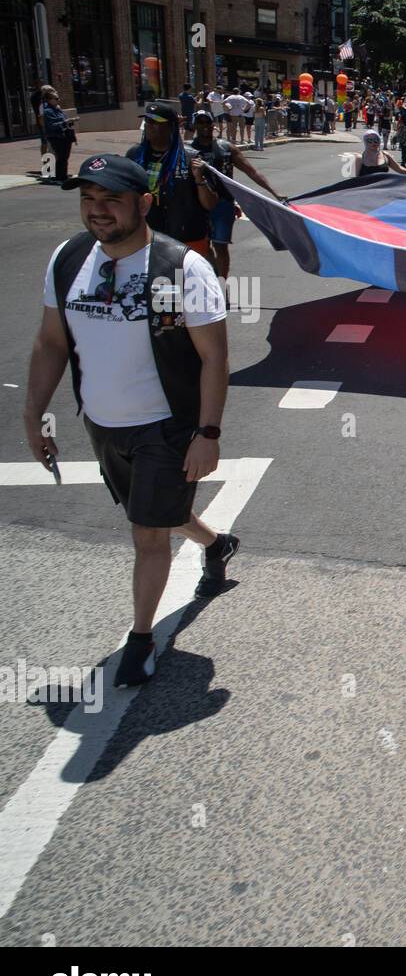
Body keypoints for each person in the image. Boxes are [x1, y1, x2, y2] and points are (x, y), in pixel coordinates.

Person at [23, 155, 239, 688]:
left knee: (147, 532)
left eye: (111, 200)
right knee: (155, 513)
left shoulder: (181, 268)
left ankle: (140, 641)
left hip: (164, 426)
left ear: (144, 202)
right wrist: (33, 413)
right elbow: (52, 342)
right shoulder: (68, 260)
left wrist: (208, 434)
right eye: (88, 199)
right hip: (103, 424)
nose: (97, 211)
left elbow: (214, 357)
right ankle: (215, 543)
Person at [189, 110, 285, 279]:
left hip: (223, 205)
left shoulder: (226, 148)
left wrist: (274, 192)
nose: (204, 126)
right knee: (203, 248)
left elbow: (252, 171)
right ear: (195, 125)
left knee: (221, 247)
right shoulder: (187, 150)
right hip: (197, 205)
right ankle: (212, 277)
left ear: (213, 125)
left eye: (207, 122)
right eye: (200, 122)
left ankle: (221, 284)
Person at [124, 102, 218, 261]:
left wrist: (199, 178)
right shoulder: (135, 155)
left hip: (187, 238)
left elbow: (210, 204)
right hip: (147, 238)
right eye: (147, 122)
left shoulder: (191, 158)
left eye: (155, 122)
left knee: (189, 284)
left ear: (171, 127)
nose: (149, 126)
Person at [40, 86, 77, 183]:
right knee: (55, 156)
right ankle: (52, 176)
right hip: (54, 136)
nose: (58, 100)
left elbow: (63, 119)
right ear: (49, 99)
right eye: (56, 98)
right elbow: (51, 124)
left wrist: (70, 122)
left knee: (63, 157)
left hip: (64, 135)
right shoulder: (47, 110)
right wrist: (65, 122)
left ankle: (62, 176)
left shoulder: (58, 109)